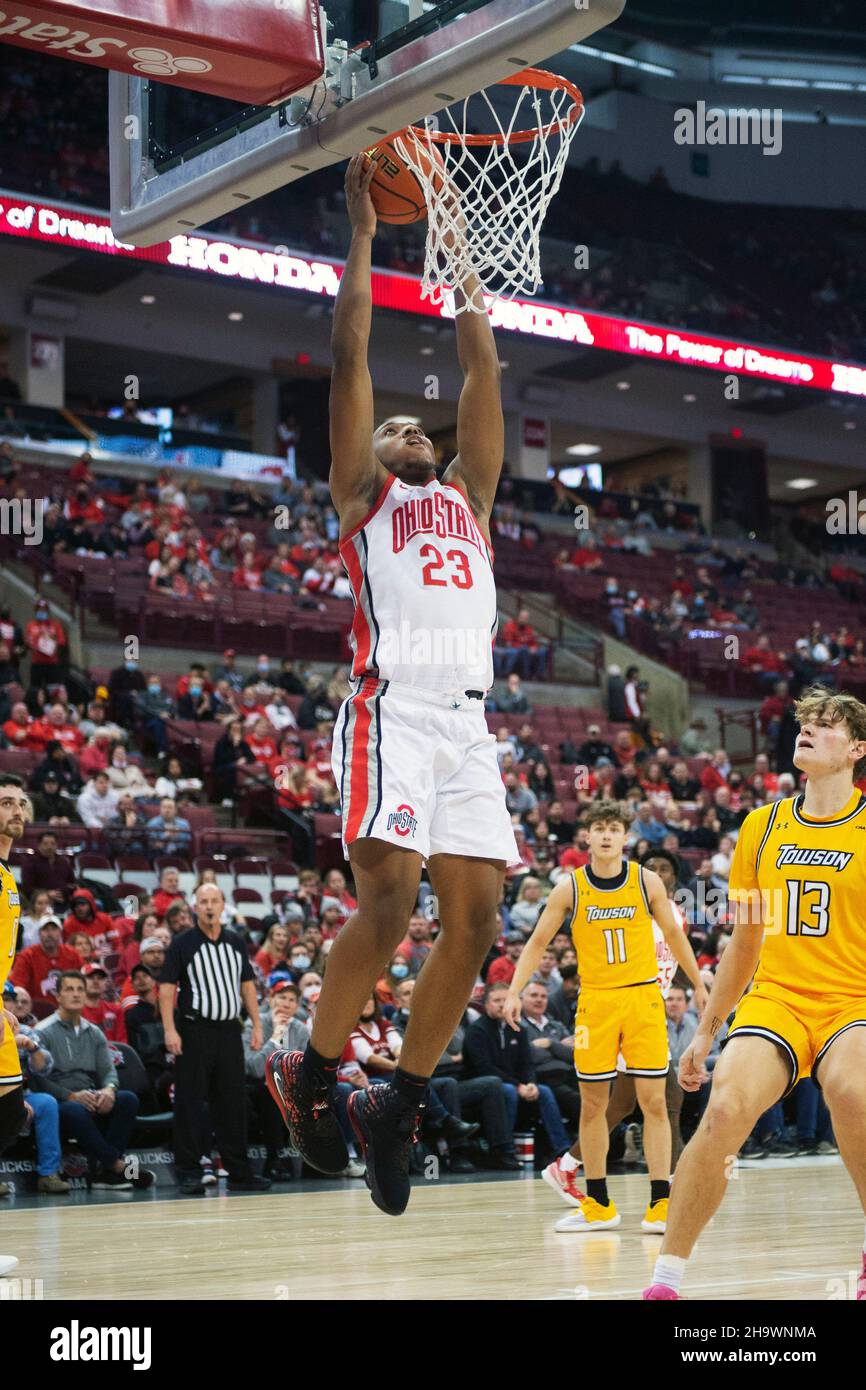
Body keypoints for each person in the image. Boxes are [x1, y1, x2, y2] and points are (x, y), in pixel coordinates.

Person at [265, 154, 518, 1219]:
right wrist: (368, 236)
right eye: (393, 427)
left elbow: (480, 381)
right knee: (392, 898)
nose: (412, 426)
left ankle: (398, 1104)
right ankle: (313, 1070)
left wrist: (462, 266)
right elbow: (350, 349)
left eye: (420, 427)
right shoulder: (361, 493)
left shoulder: (469, 492)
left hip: (468, 724)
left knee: (477, 923)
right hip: (389, 708)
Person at [645, 687, 866, 1301]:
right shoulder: (760, 827)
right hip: (777, 999)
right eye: (805, 722)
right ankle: (665, 1282)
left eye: (826, 725)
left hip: (855, 1002)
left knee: (854, 1095)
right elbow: (744, 943)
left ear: (857, 749)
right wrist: (705, 1034)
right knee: (722, 1111)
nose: (809, 731)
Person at [504, 800, 706, 1235]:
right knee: (594, 1106)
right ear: (588, 836)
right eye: (599, 828)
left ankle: (659, 1204)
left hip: (642, 999)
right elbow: (538, 942)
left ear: (625, 835)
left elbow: (673, 935)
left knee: (654, 1103)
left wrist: (700, 985)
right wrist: (515, 990)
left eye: (615, 828)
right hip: (595, 1002)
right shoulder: (569, 887)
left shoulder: (645, 880)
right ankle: (598, 1204)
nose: (607, 835)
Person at [159, 883, 271, 1196]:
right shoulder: (183, 943)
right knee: (190, 1102)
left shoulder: (236, 941)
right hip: (194, 1031)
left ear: (224, 905)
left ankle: (239, 1172)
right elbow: (166, 989)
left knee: (233, 1103)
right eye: (203, 901)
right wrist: (170, 1030)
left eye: (214, 901)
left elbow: (247, 986)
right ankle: (190, 1171)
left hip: (229, 1031)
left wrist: (257, 1026)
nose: (209, 906)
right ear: (195, 906)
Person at [35, 971, 153, 1191]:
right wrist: (70, 1096)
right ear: (58, 996)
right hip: (60, 1098)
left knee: (127, 1099)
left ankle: (104, 1173)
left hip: (90, 1095)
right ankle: (117, 1165)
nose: (76, 994)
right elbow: (39, 1080)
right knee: (73, 1110)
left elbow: (109, 1071)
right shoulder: (42, 1032)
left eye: (80, 989)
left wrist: (108, 1090)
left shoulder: (95, 1032)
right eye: (69, 989)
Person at [464, 982, 572, 1161]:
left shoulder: (518, 1029)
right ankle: (505, 1150)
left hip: (515, 1083)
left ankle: (562, 1149)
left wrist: (531, 1083)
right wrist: (518, 1085)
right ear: (486, 1005)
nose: (501, 1004)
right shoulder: (477, 1030)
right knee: (507, 1091)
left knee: (543, 1091)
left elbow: (527, 1064)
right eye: (496, 1000)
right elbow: (484, 1067)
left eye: (505, 1000)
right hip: (483, 1083)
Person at [0, 776, 29, 1272]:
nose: (16, 810)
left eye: (20, 804)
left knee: (9, 1115)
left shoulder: (8, 875)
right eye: (5, 803)